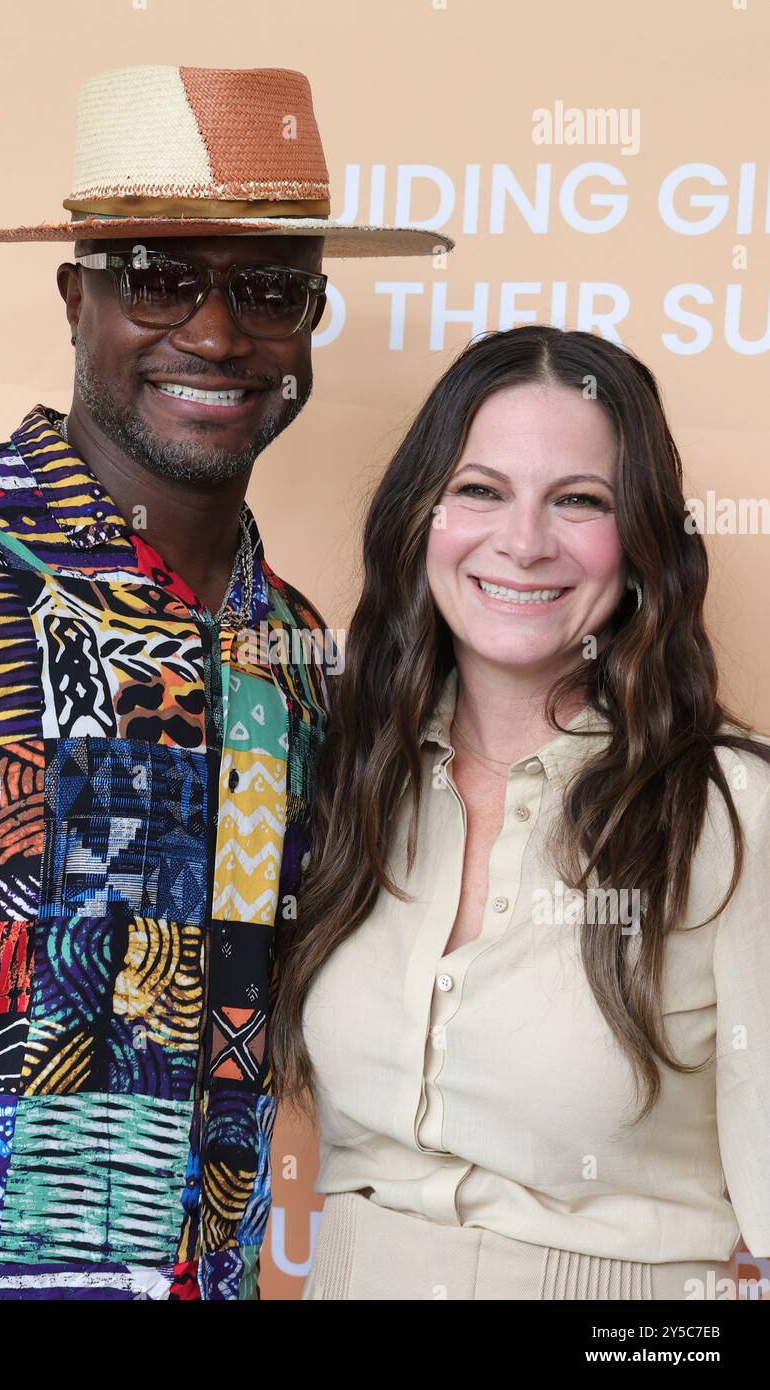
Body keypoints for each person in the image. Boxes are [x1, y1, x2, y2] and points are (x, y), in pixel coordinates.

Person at [0, 64, 449, 1301]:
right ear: (74, 296)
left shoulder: (298, 658)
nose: (216, 335)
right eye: (159, 276)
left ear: (310, 319)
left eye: (268, 290)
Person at [271, 324, 770, 1301]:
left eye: (578, 501)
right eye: (480, 489)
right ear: (423, 519)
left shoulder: (733, 814)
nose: (524, 540)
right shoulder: (339, 770)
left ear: (641, 544)